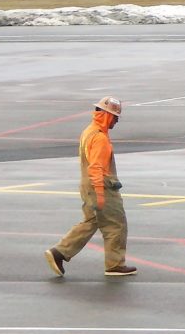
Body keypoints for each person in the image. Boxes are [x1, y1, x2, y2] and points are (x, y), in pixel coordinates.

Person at [45, 96, 137, 278]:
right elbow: (96, 167)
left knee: (91, 221)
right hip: (100, 187)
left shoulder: (89, 131)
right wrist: (101, 196)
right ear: (107, 116)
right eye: (115, 117)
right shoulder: (100, 138)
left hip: (87, 185)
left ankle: (59, 253)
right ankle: (115, 265)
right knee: (116, 224)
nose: (116, 122)